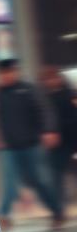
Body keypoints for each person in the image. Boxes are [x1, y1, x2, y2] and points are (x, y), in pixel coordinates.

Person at [0, 59, 64, 230]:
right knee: (10, 183)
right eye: (3, 73)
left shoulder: (28, 89)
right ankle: (4, 216)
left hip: (31, 144)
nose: (7, 76)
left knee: (39, 180)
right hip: (8, 147)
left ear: (15, 72)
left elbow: (43, 110)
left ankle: (57, 212)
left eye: (10, 72)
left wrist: (49, 130)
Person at [40, 66, 77, 206]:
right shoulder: (44, 97)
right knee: (56, 173)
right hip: (57, 140)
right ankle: (59, 205)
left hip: (72, 137)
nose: (51, 82)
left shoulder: (69, 93)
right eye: (48, 79)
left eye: (53, 78)